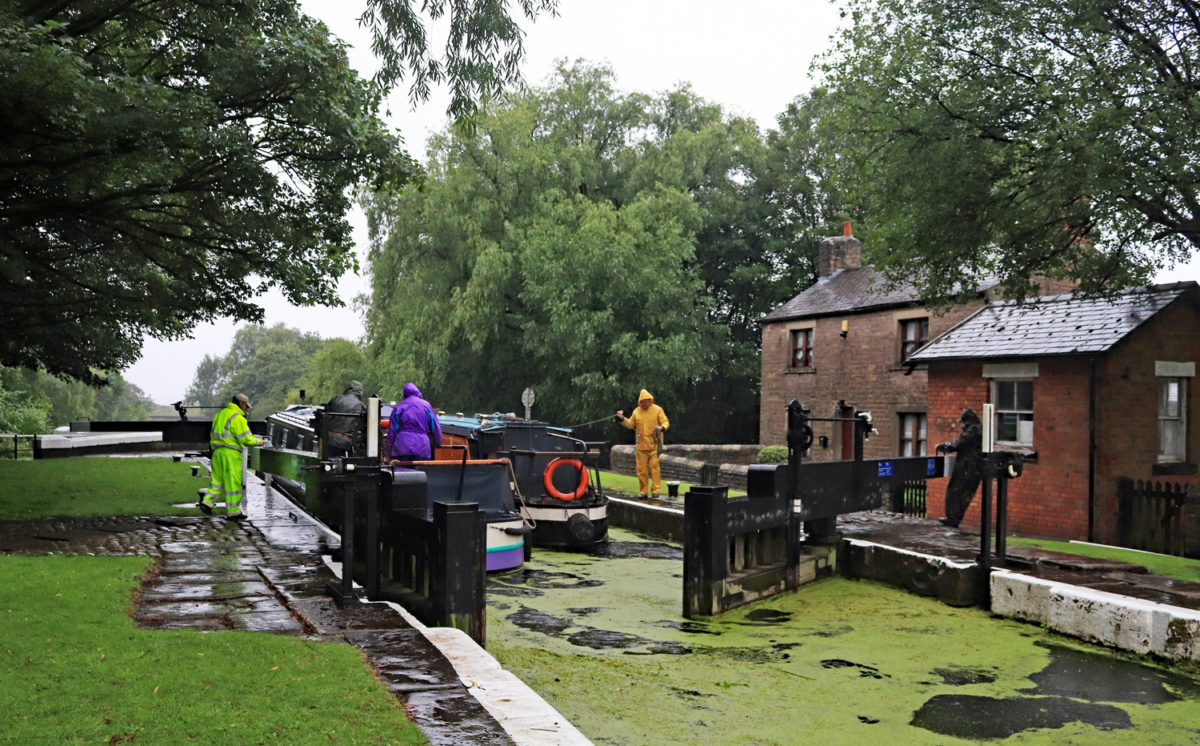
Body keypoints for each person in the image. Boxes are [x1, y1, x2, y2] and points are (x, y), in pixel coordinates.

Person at [199, 393, 263, 521]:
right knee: (233, 483)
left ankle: (207, 502)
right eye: (246, 406)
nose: (246, 409)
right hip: (231, 453)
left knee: (217, 481)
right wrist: (259, 442)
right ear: (241, 404)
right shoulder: (238, 418)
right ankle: (233, 512)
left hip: (217, 452)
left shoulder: (220, 414)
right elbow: (245, 439)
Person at [616, 389, 670, 497]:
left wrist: (661, 427)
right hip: (641, 446)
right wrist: (622, 418)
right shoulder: (636, 411)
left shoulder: (658, 410)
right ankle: (643, 491)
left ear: (650, 400)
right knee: (641, 470)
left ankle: (656, 491)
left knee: (654, 468)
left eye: (646, 401)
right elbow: (630, 424)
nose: (644, 403)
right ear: (640, 402)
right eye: (642, 402)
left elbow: (665, 422)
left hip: (654, 445)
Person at [936, 407, 984, 528]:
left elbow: (959, 444)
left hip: (966, 467)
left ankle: (952, 518)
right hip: (973, 467)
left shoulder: (973, 430)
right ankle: (955, 518)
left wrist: (944, 446)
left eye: (963, 421)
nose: (962, 424)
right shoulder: (977, 429)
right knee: (964, 494)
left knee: (954, 491)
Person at [385, 382, 443, 463]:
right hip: (422, 448)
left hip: (402, 448)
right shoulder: (426, 406)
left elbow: (392, 432)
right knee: (420, 474)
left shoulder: (399, 407)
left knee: (403, 474)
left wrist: (387, 454)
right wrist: (438, 442)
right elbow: (435, 427)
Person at [324, 380, 367, 457]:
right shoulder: (361, 405)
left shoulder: (335, 399)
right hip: (348, 442)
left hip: (329, 439)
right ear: (359, 392)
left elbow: (325, 416)